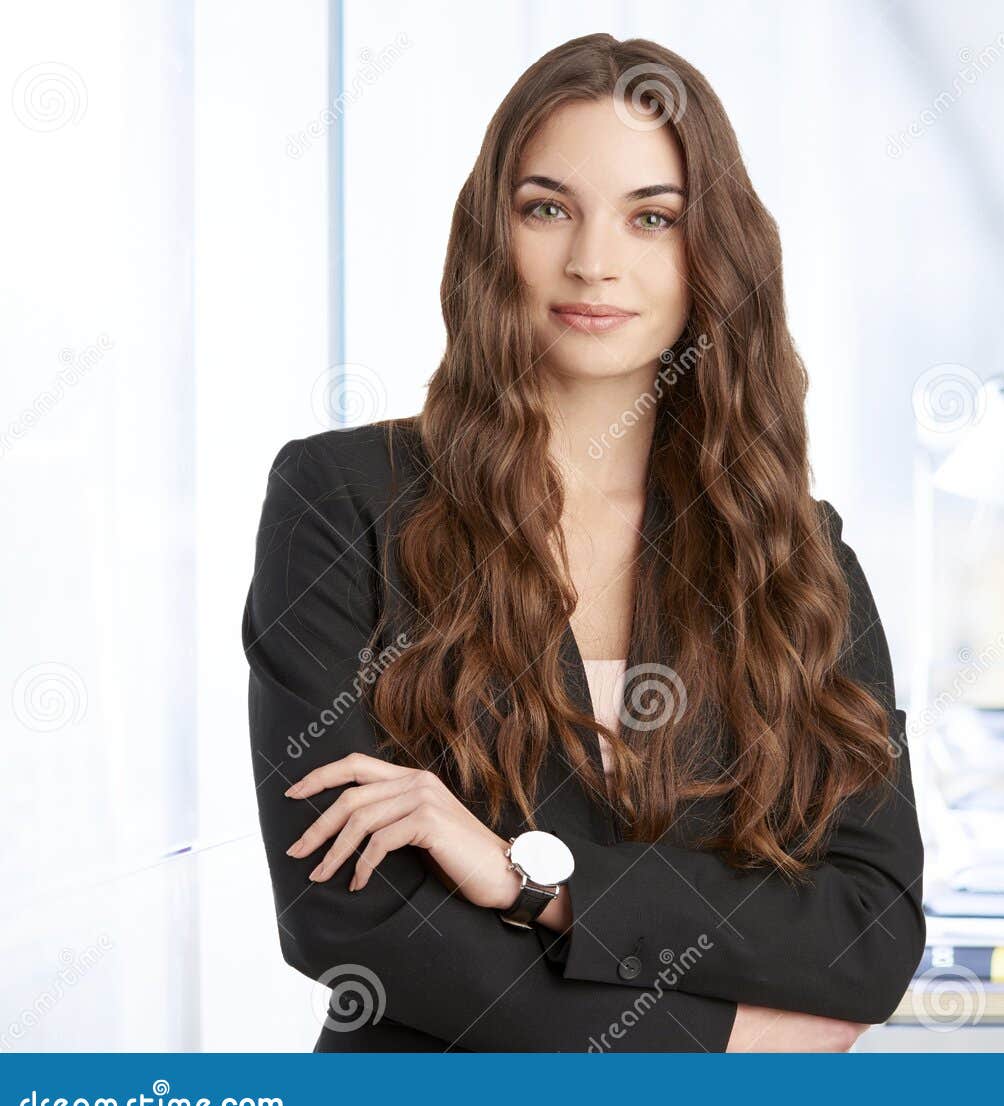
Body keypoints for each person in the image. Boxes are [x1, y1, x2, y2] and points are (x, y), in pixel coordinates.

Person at [241, 32, 924, 1052]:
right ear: (493, 235)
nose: (592, 261)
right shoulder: (344, 500)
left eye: (651, 218)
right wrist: (730, 1046)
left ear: (712, 255)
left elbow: (866, 935)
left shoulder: (794, 553)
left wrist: (536, 886)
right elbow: (350, 919)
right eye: (547, 208)